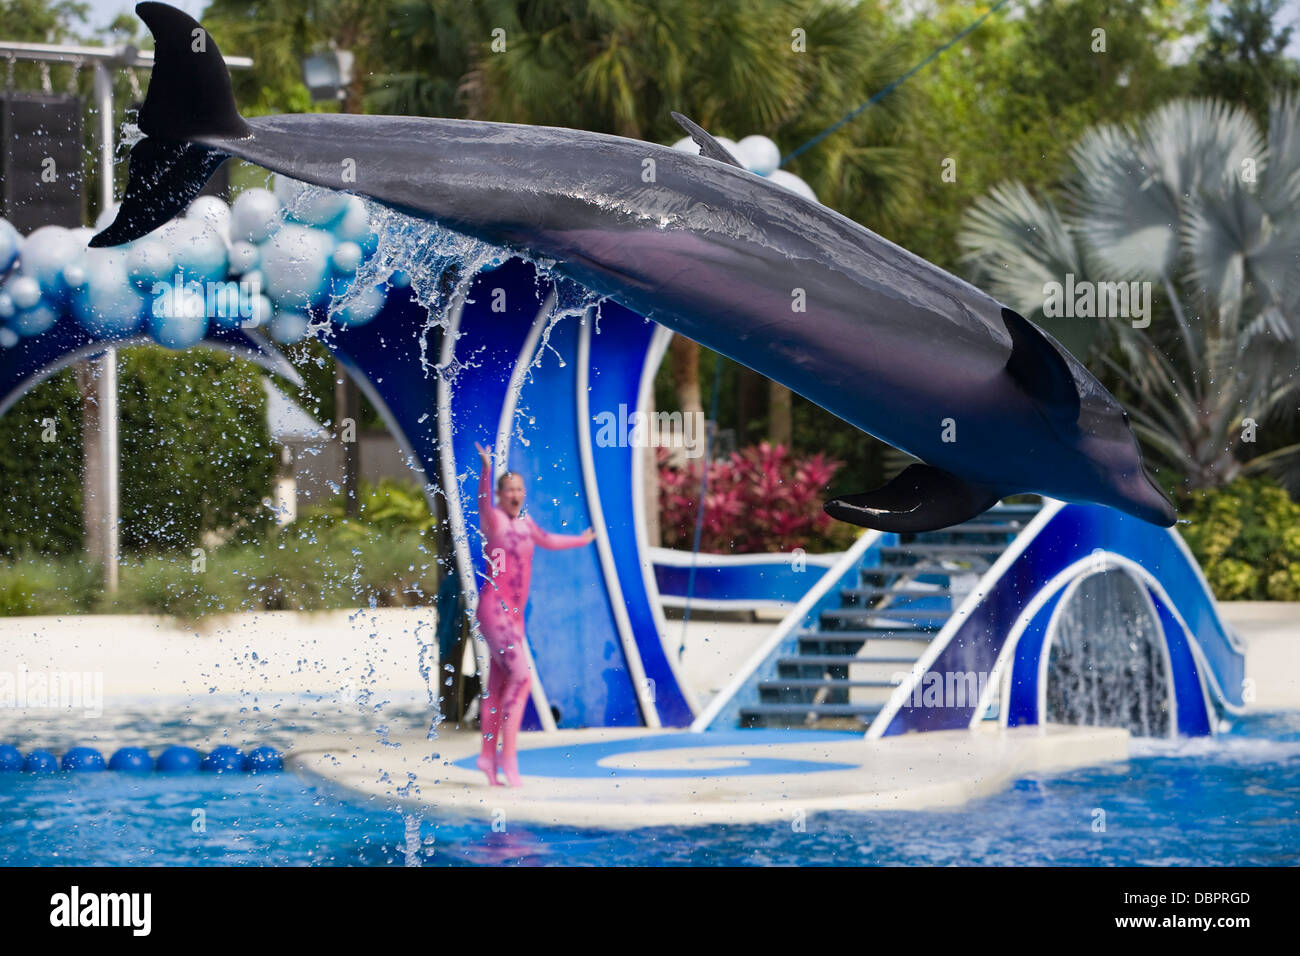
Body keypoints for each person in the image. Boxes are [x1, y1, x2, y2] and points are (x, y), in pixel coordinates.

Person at [473, 441, 595, 786]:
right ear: (500, 494)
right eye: (509, 489)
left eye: (519, 489)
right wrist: (486, 470)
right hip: (494, 609)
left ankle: (486, 756)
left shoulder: (526, 523)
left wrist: (581, 540)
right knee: (522, 678)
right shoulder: (494, 519)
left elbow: (549, 540)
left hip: (514, 617)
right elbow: (482, 501)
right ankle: (508, 759)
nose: (515, 494)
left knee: (498, 684)